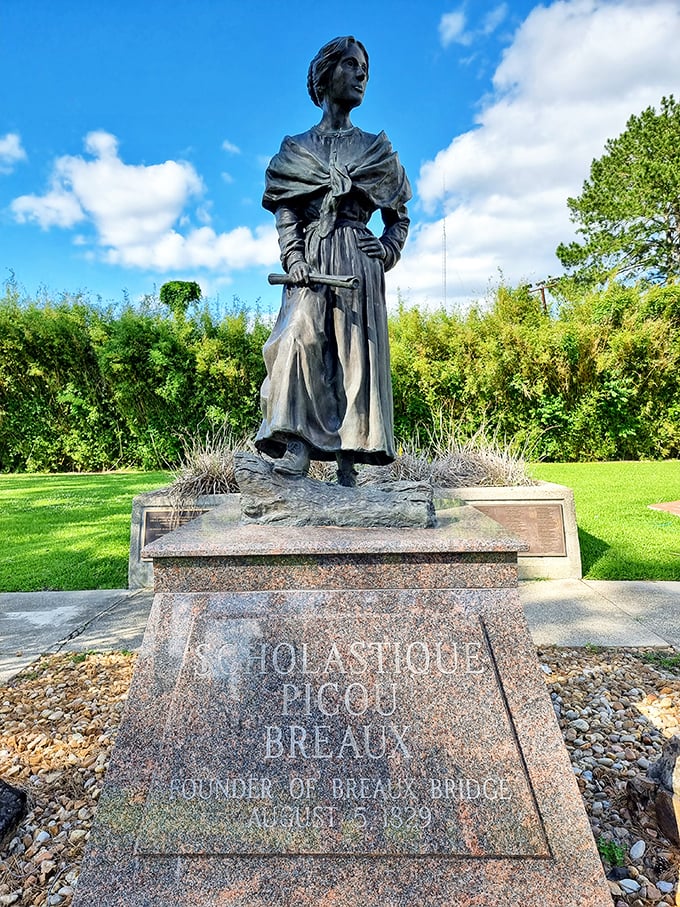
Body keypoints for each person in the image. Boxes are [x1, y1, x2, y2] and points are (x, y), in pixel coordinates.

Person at [255, 36, 411, 487]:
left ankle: (348, 462)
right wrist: (294, 255)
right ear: (325, 76)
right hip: (311, 260)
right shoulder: (296, 150)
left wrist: (388, 249)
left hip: (358, 261)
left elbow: (398, 215)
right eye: (351, 65)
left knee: (353, 357)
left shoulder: (375, 150)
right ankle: (296, 447)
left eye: (365, 67)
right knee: (297, 340)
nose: (362, 74)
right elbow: (286, 210)